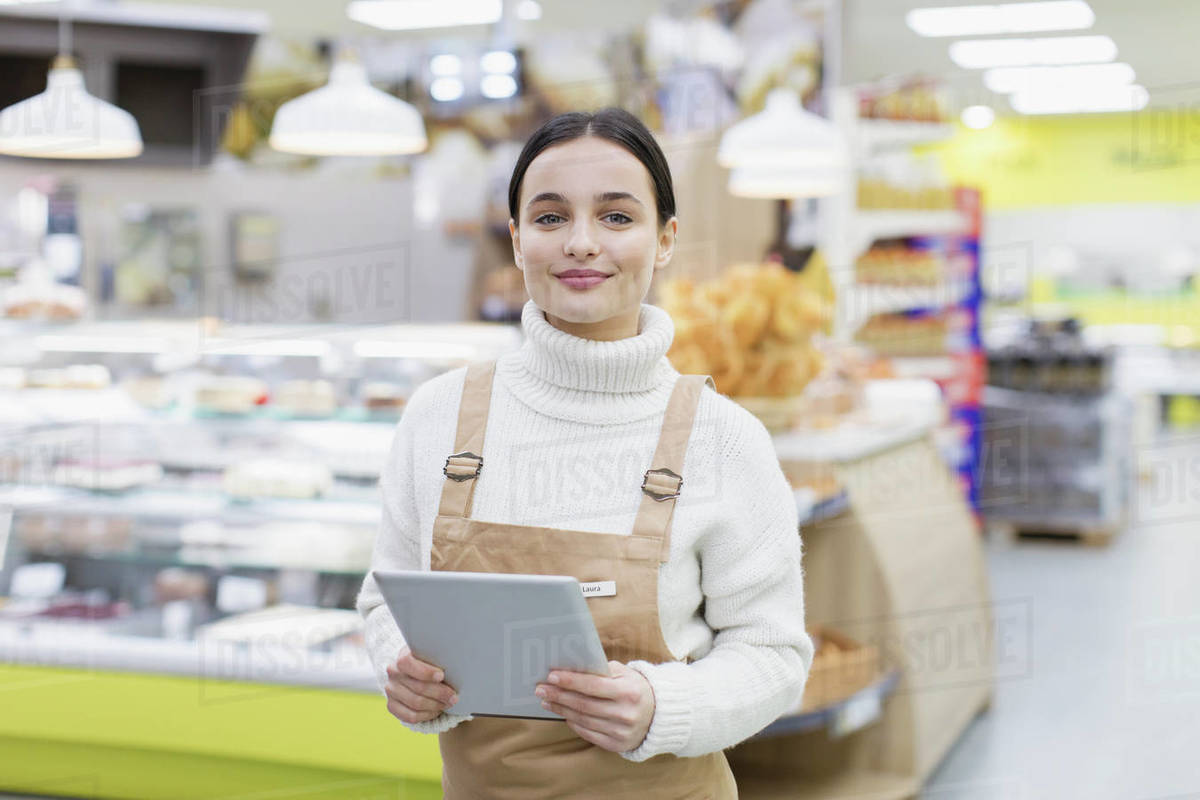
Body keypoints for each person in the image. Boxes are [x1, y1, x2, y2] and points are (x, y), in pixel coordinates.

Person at [356, 107, 814, 798]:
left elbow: (773, 654)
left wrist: (664, 707)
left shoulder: (724, 439)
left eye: (617, 217)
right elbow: (383, 597)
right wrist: (406, 670)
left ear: (664, 241)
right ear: (515, 240)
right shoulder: (438, 416)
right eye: (548, 218)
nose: (580, 243)